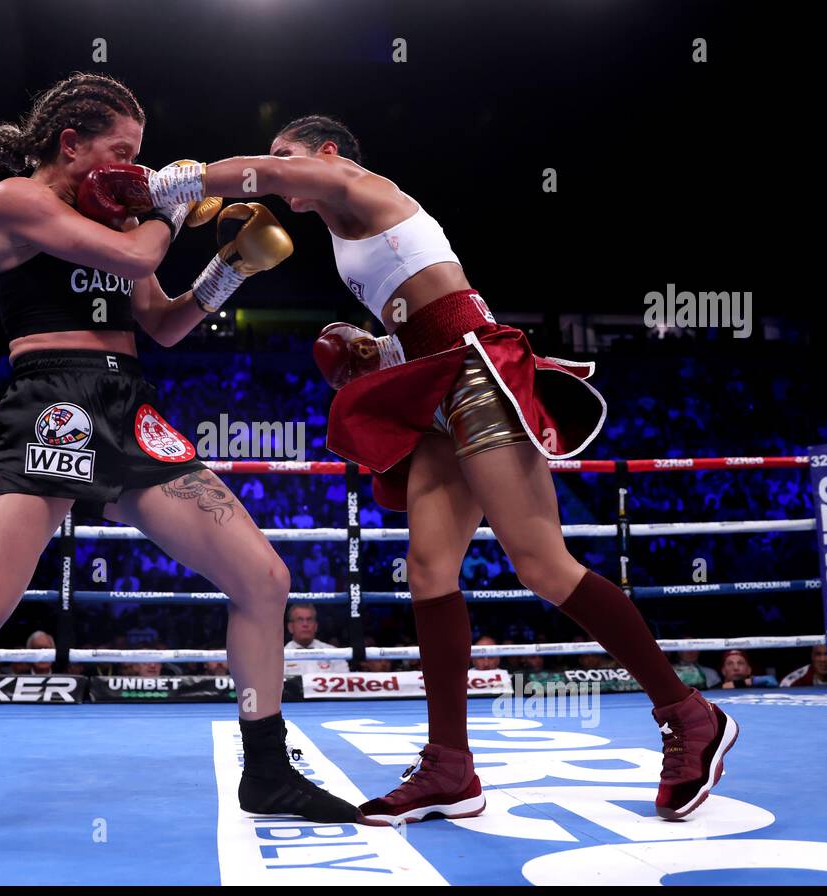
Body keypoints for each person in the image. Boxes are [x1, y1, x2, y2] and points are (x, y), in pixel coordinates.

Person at [81, 114, 739, 825]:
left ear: (326, 154)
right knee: (429, 572)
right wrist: (372, 350)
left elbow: (278, 181)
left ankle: (687, 711)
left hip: (475, 370)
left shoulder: (358, 184)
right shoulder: (343, 234)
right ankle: (450, 767)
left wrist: (166, 182)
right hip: (434, 382)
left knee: (542, 565)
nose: (275, 168)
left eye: (286, 153)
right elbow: (417, 316)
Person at [0, 74, 362, 865]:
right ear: (70, 144)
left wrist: (229, 270)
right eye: (122, 153)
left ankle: (267, 771)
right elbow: (137, 248)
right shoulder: (15, 202)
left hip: (129, 408)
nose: (135, 170)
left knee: (264, 580)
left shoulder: (120, 217)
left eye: (141, 158)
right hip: (50, 410)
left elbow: (163, 323)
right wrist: (167, 203)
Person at [282, 602, 347, 674]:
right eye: (300, 620)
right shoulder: (279, 658)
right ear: (290, 627)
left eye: (309, 620)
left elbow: (345, 681)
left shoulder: (334, 653)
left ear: (316, 626)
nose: (305, 624)